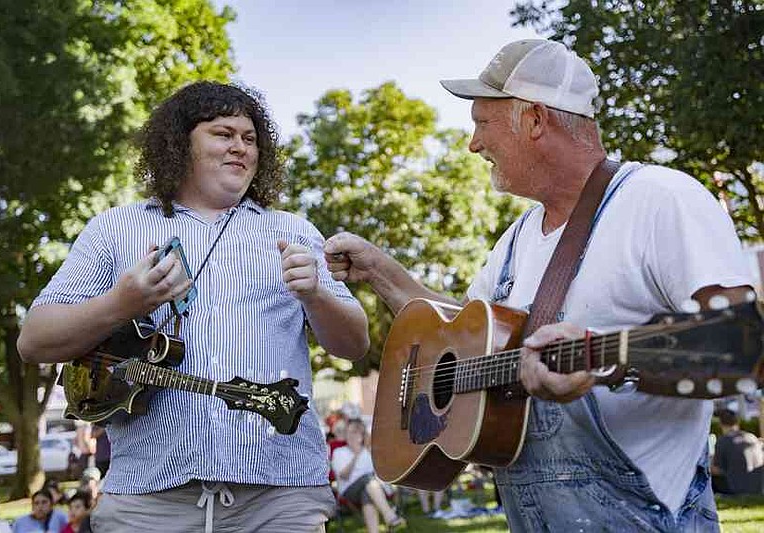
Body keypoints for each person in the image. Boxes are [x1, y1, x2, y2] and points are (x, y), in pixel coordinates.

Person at [324, 38, 755, 532]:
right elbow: (460, 336)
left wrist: (603, 364)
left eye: (482, 124)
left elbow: (740, 345)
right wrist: (380, 270)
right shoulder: (517, 238)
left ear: (533, 120)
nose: (473, 144)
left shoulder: (660, 199)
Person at [16, 81, 370, 533]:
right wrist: (122, 303)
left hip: (280, 496)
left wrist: (316, 295)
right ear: (179, 144)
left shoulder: (294, 231)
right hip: (147, 500)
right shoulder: (116, 228)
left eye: (250, 139)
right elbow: (34, 340)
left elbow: (355, 344)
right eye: (223, 134)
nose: (240, 147)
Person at [330, 419, 405, 533]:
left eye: (356, 432)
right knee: (368, 479)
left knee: (367, 493)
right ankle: (389, 515)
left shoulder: (368, 452)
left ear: (362, 435)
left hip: (370, 489)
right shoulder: (339, 452)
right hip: (348, 491)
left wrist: (363, 450)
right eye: (350, 432)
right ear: (346, 434)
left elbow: (378, 473)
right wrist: (356, 455)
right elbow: (344, 476)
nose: (352, 436)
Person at [711, 409, 764, 495]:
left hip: (736, 489)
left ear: (720, 424)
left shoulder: (723, 441)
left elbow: (718, 469)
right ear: (737, 422)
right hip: (758, 488)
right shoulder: (752, 437)